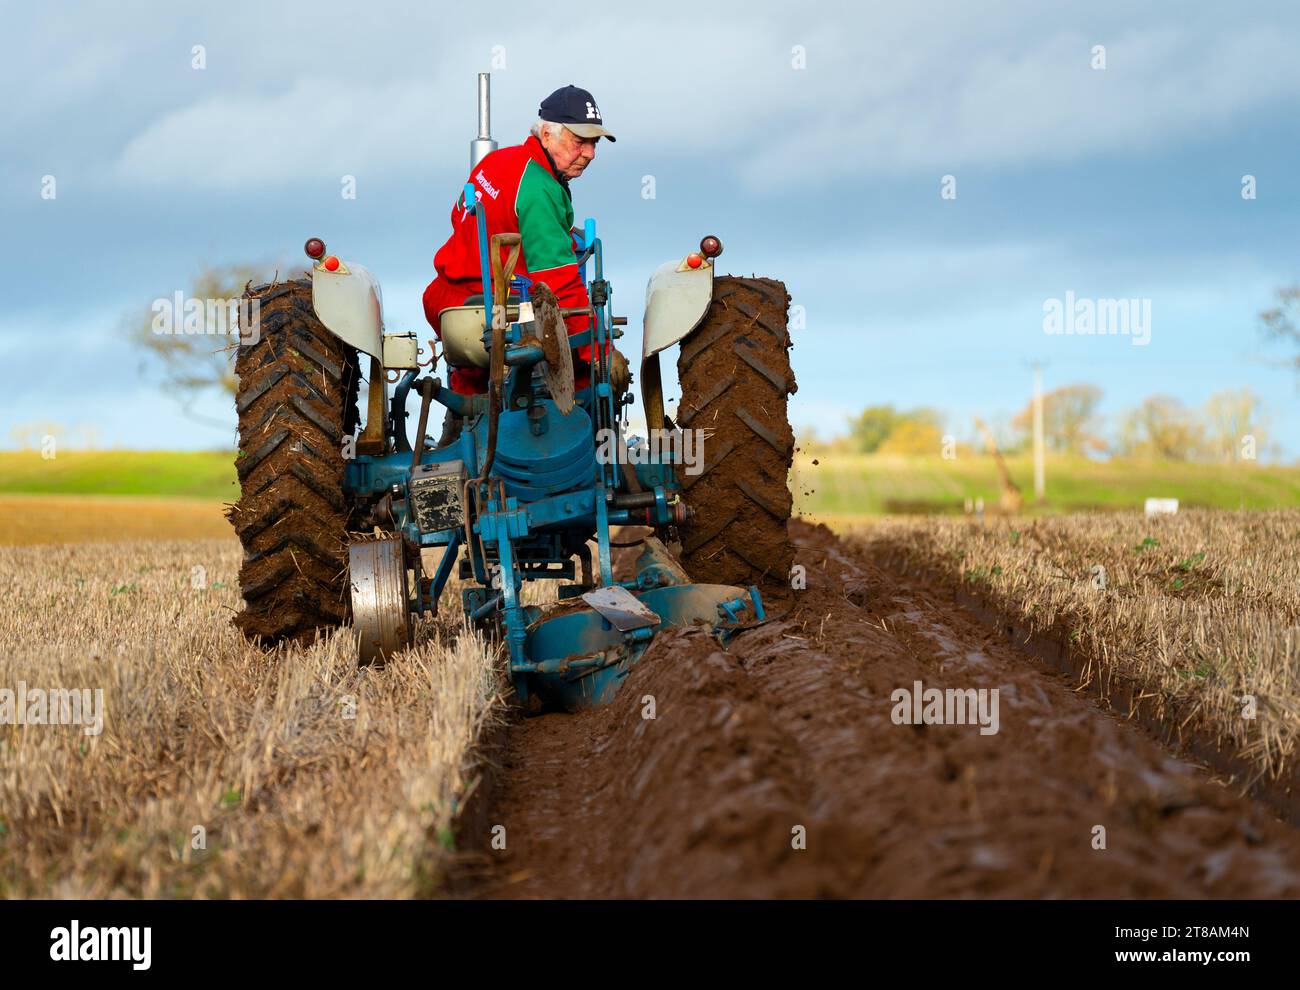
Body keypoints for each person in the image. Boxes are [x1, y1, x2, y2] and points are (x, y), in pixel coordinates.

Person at [422, 85, 627, 436]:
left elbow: (460, 216)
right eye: (581, 141)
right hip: (504, 314)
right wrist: (599, 350)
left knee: (475, 378)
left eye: (594, 143)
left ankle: (464, 426)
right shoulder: (540, 189)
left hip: (447, 301)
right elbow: (559, 281)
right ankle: (583, 447)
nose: (590, 153)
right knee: (586, 374)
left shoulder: (495, 162)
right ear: (547, 133)